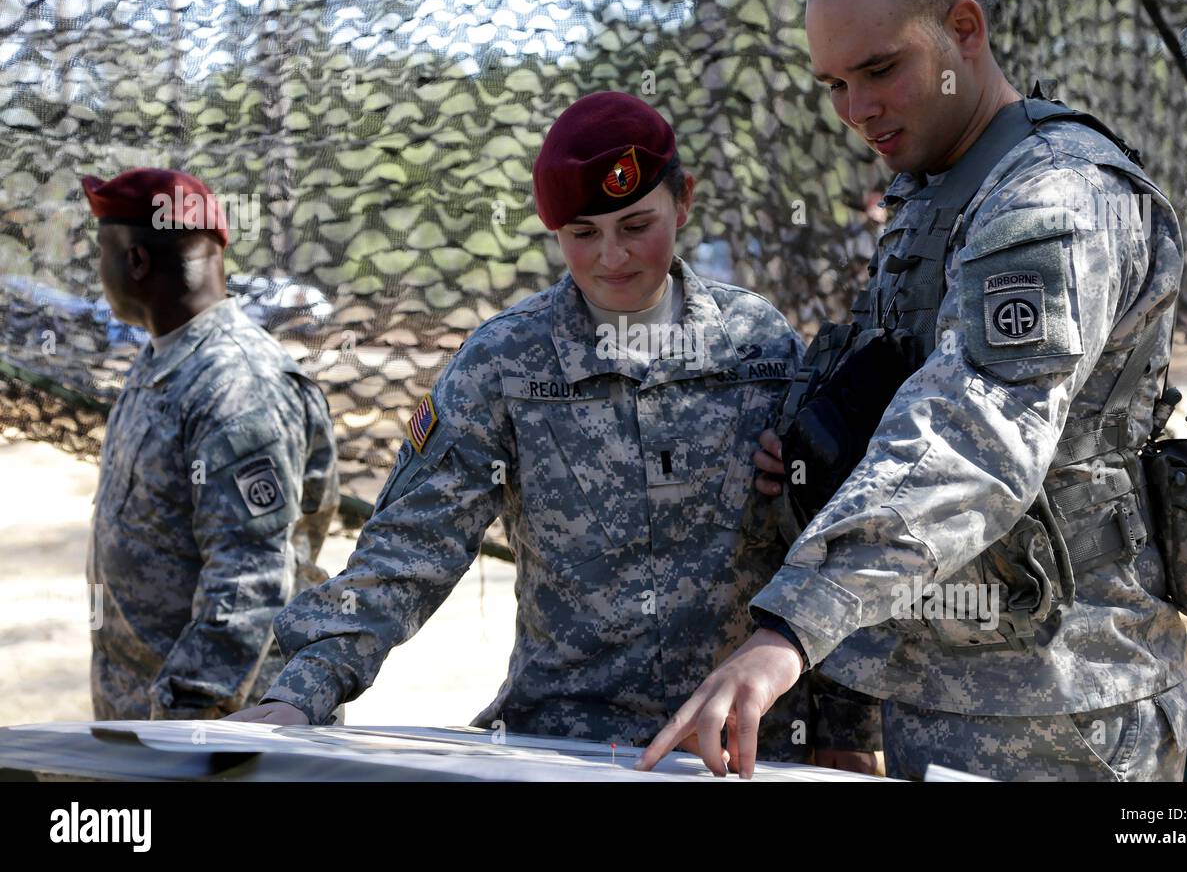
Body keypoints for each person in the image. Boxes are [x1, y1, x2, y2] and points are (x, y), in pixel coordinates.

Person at [639, 0, 1187, 781]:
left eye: (879, 69)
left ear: (965, 31)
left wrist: (792, 625)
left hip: (1064, 707)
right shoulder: (934, 190)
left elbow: (975, 435)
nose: (856, 109)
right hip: (944, 684)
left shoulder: (1052, 198)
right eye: (833, 83)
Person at [228, 92, 878, 770]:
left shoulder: (760, 349)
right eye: (583, 233)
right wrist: (300, 694)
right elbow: (409, 547)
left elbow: (827, 537)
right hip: (566, 746)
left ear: (683, 201)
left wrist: (845, 730)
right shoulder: (504, 365)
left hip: (742, 748)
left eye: (636, 224)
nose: (612, 257)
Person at [83, 167, 339, 720]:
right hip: (145, 717)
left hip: (218, 733)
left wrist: (184, 722)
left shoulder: (237, 384)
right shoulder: (166, 360)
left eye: (100, 252)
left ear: (135, 260)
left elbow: (249, 575)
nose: (97, 271)